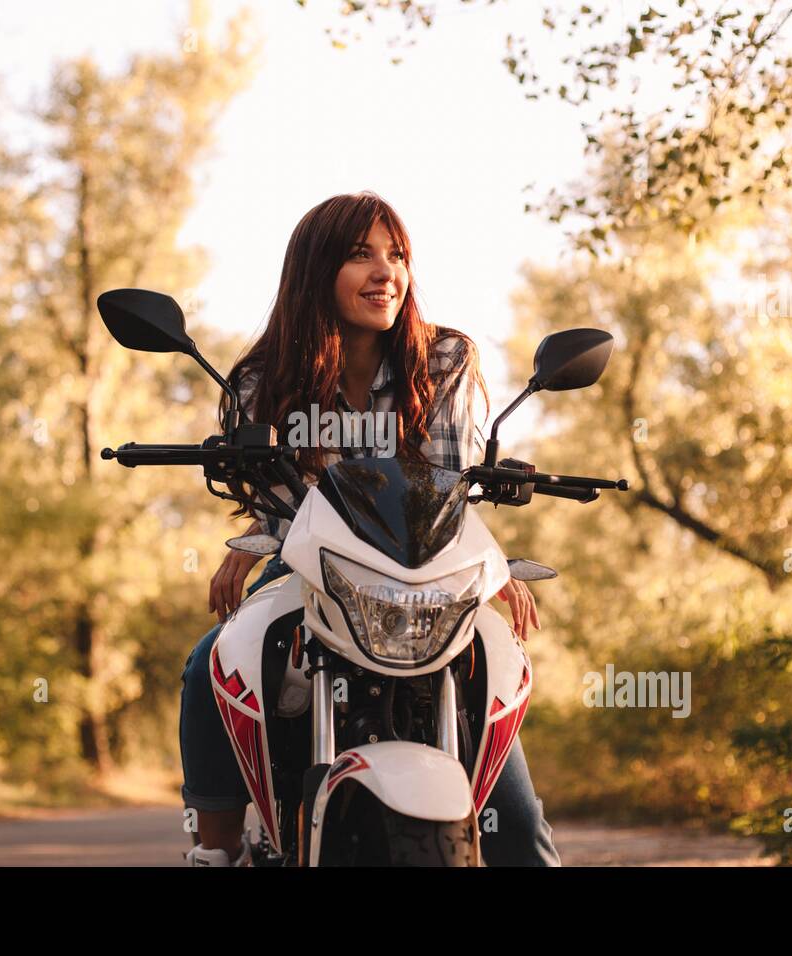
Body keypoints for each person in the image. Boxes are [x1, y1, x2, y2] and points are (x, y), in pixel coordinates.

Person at [180, 191, 560, 866]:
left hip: (430, 577)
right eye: (361, 255)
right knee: (213, 656)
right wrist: (248, 542)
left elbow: (449, 486)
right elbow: (276, 506)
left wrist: (492, 569)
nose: (385, 271)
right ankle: (214, 853)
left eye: (398, 255)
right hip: (309, 566)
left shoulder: (441, 360)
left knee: (519, 822)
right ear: (315, 269)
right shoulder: (261, 379)